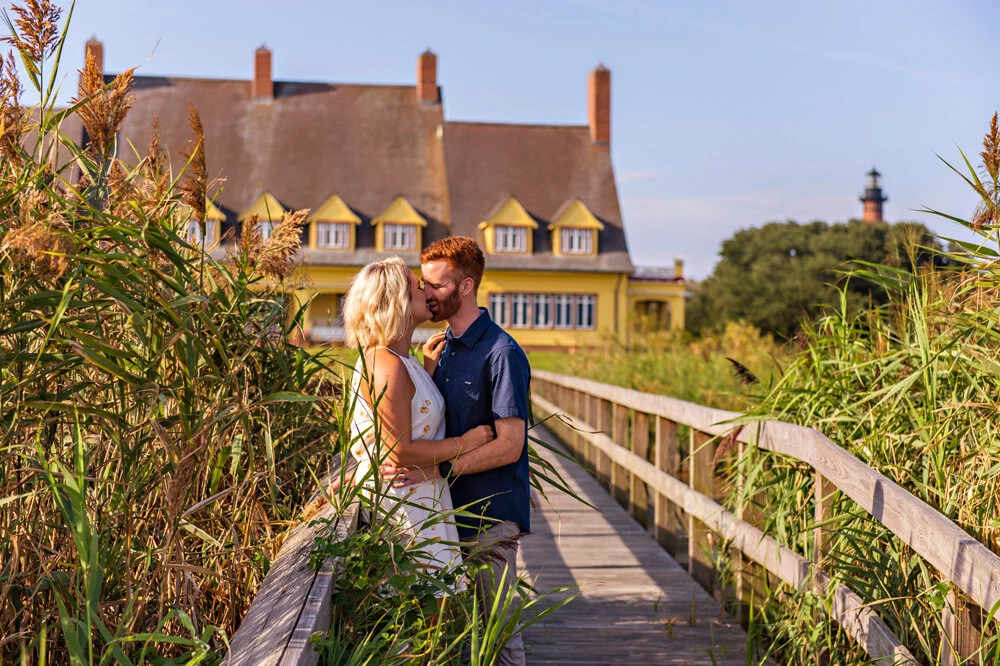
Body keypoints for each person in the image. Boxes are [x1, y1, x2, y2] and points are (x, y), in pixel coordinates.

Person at [385, 237, 531, 666]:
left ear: (466, 287)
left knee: (499, 634)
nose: (427, 293)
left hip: (488, 515)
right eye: (423, 284)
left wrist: (441, 470)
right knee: (458, 636)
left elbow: (510, 444)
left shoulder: (502, 353)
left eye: (437, 285)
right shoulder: (442, 348)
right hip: (444, 513)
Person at [341, 256, 497, 590]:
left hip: (421, 498)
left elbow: (407, 416)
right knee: (425, 612)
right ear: (396, 302)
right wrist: (466, 443)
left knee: (433, 611)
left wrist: (426, 370)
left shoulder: (400, 361)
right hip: (407, 504)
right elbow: (399, 451)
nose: (426, 291)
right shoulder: (386, 364)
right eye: (416, 287)